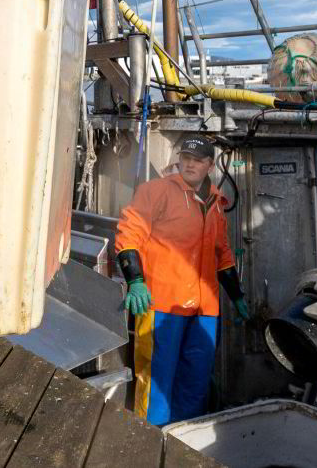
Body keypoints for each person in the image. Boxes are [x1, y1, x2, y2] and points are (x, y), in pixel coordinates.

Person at [113, 137, 250, 425]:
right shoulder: (155, 191)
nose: (190, 163)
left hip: (205, 310)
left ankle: (184, 444)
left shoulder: (216, 201)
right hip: (161, 304)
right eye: (186, 157)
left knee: (196, 381)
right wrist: (136, 281)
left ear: (210, 165)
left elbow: (222, 253)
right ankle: (149, 440)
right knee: (156, 380)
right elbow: (128, 234)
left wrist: (236, 296)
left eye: (198, 159)